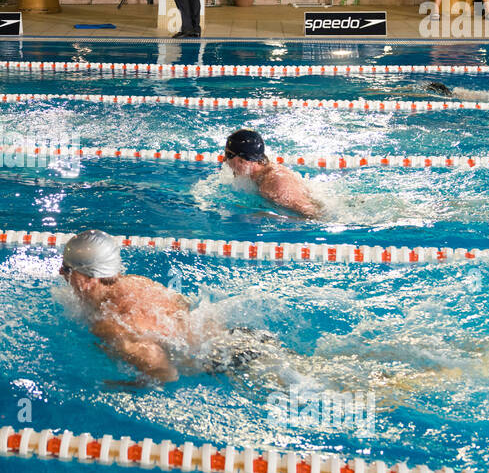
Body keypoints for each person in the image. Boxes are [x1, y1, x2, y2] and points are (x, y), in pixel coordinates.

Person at [59, 230, 295, 385]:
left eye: (68, 269)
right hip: (243, 339)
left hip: (234, 365)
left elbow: (164, 372)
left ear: (90, 278)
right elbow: (184, 306)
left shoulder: (108, 324)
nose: (62, 274)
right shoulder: (137, 282)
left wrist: (124, 387)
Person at [223, 129, 321, 218]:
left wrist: (270, 216)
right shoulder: (251, 173)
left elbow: (314, 215)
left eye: (229, 155)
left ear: (243, 160)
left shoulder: (274, 184)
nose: (224, 160)